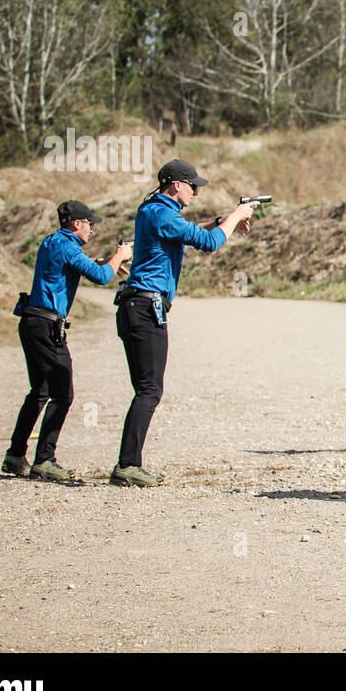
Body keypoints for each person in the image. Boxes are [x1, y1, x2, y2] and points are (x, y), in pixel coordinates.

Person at [112, 159, 258, 487]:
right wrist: (235, 217)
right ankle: (127, 465)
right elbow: (207, 243)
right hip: (146, 307)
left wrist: (220, 220)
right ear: (176, 185)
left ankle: (128, 463)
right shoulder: (162, 213)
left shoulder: (156, 211)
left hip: (136, 305)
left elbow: (189, 232)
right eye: (192, 186)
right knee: (150, 390)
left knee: (145, 390)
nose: (195, 191)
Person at [2, 201, 132, 482]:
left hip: (32, 322)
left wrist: (106, 260)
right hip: (48, 325)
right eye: (90, 224)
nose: (92, 230)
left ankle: (15, 455)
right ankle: (44, 460)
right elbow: (100, 277)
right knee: (63, 394)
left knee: (39, 391)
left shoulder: (52, 241)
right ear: (76, 224)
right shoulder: (69, 246)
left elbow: (75, 267)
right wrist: (119, 255)